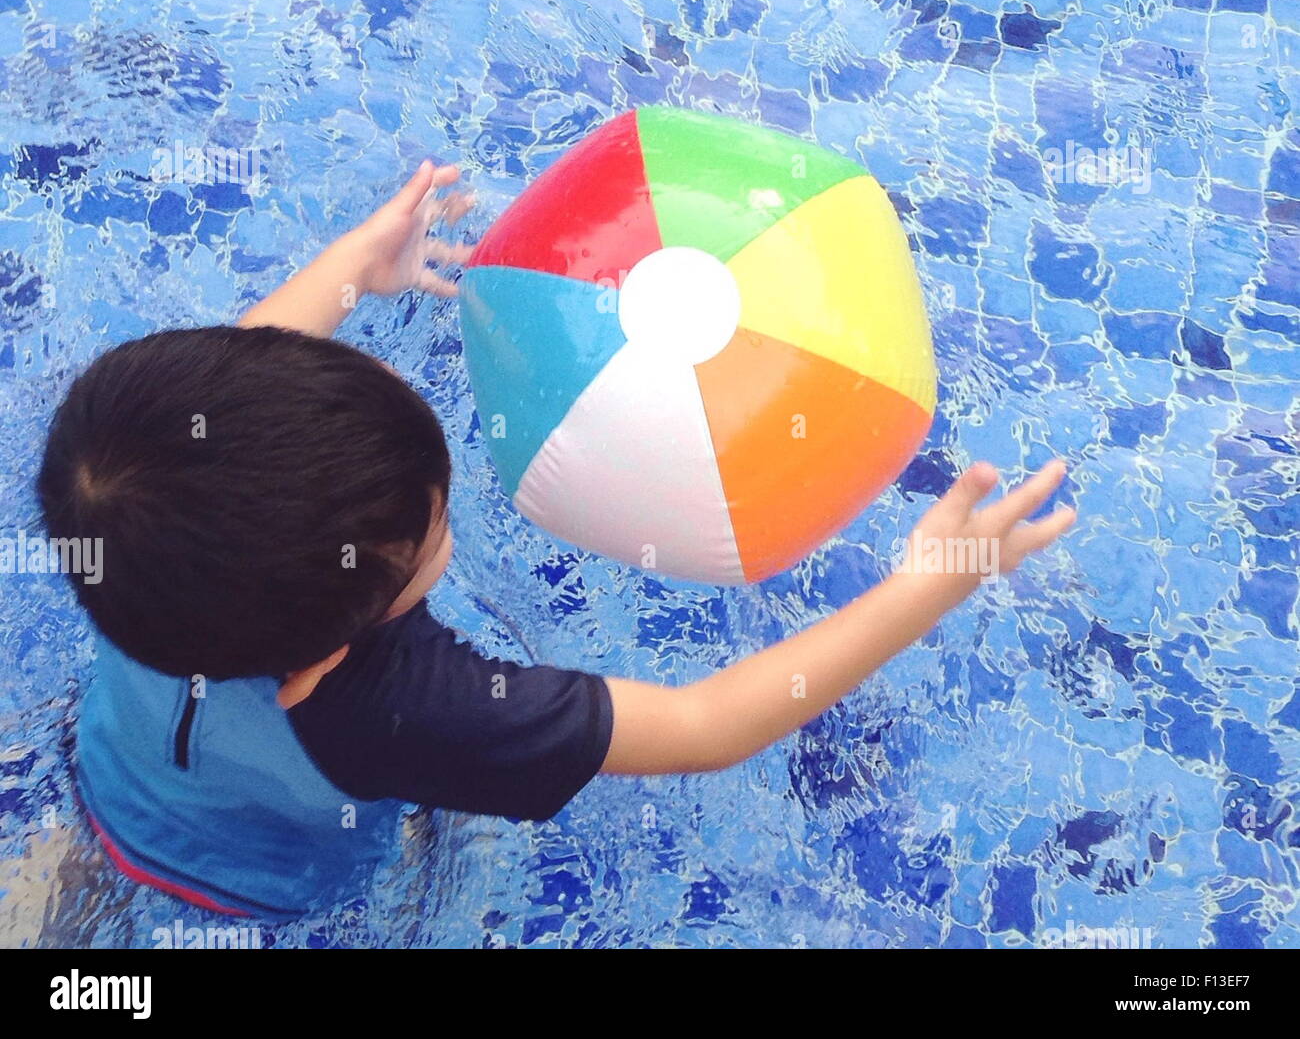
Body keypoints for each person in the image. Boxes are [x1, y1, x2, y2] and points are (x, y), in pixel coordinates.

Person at [38, 161, 1076, 918]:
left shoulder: (135, 521)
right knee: (450, 859)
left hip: (108, 784)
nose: (447, 507)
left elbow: (235, 373)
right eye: (435, 520)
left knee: (58, 899)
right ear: (356, 608)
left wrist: (356, 266)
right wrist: (925, 584)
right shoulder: (409, 706)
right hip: (261, 886)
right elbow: (706, 722)